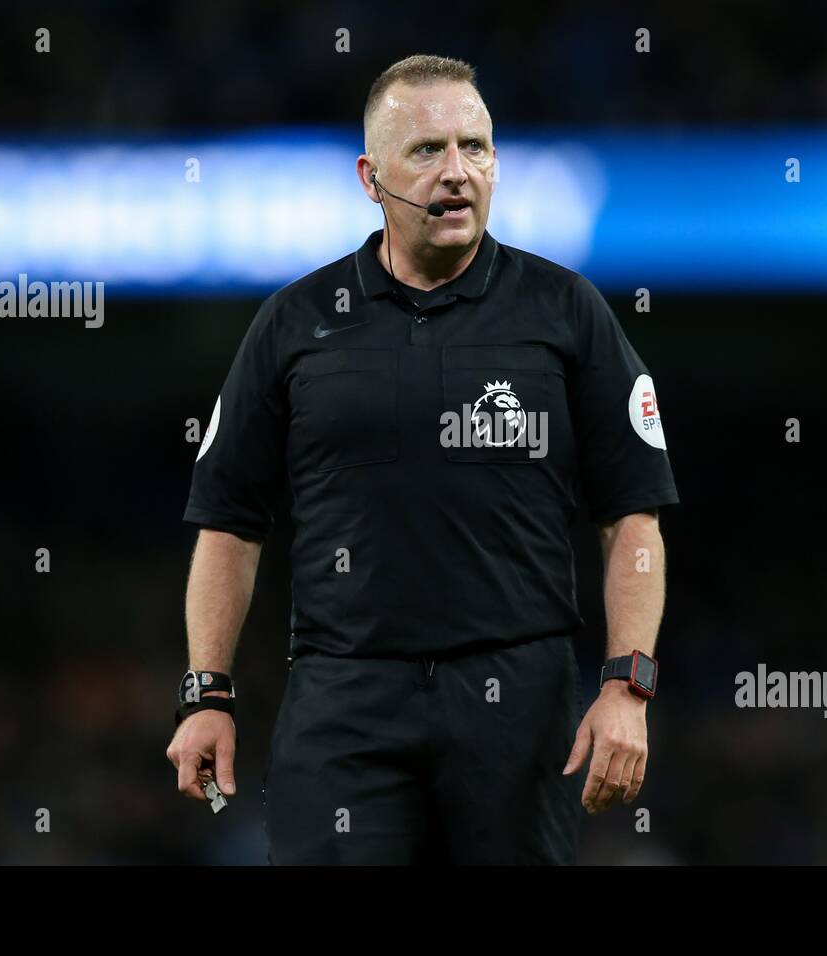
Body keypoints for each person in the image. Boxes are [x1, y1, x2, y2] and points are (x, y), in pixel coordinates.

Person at [165, 54, 678, 864]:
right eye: (427, 151)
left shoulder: (566, 310)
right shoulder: (296, 323)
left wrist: (626, 684)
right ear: (371, 178)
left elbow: (633, 517)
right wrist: (207, 694)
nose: (457, 172)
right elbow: (228, 523)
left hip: (517, 698)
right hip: (345, 700)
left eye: (475, 147)